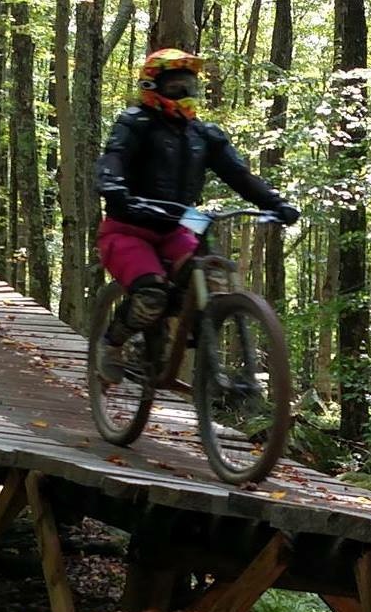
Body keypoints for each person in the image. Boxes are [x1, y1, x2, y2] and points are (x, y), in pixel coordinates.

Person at [94, 47, 299, 382]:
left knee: (212, 276)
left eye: (190, 87)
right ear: (153, 87)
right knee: (150, 295)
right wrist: (113, 185)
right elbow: (113, 158)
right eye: (176, 87)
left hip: (177, 226)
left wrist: (274, 202)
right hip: (128, 228)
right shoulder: (134, 125)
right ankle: (111, 344)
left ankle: (199, 356)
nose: (186, 94)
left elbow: (239, 175)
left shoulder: (203, 135)